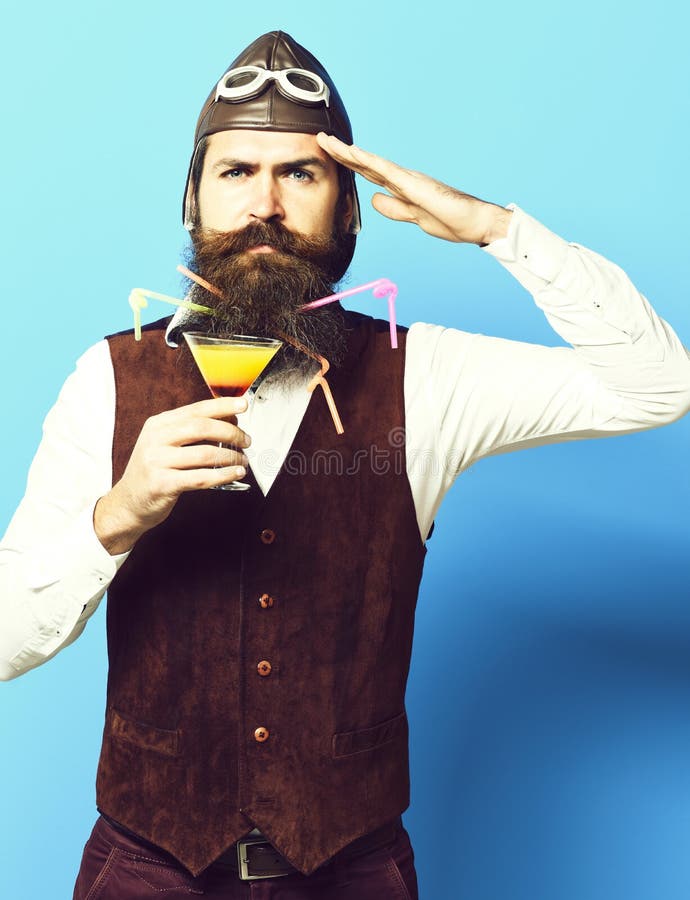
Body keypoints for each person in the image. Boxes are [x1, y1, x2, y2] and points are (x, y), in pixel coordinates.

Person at [1, 30, 689, 900]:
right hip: (146, 872)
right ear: (192, 201)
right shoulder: (108, 378)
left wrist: (493, 228)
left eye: (301, 172)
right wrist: (120, 515)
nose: (266, 205)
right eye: (236, 171)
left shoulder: (426, 377)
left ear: (349, 208)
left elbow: (658, 385)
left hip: (352, 874)